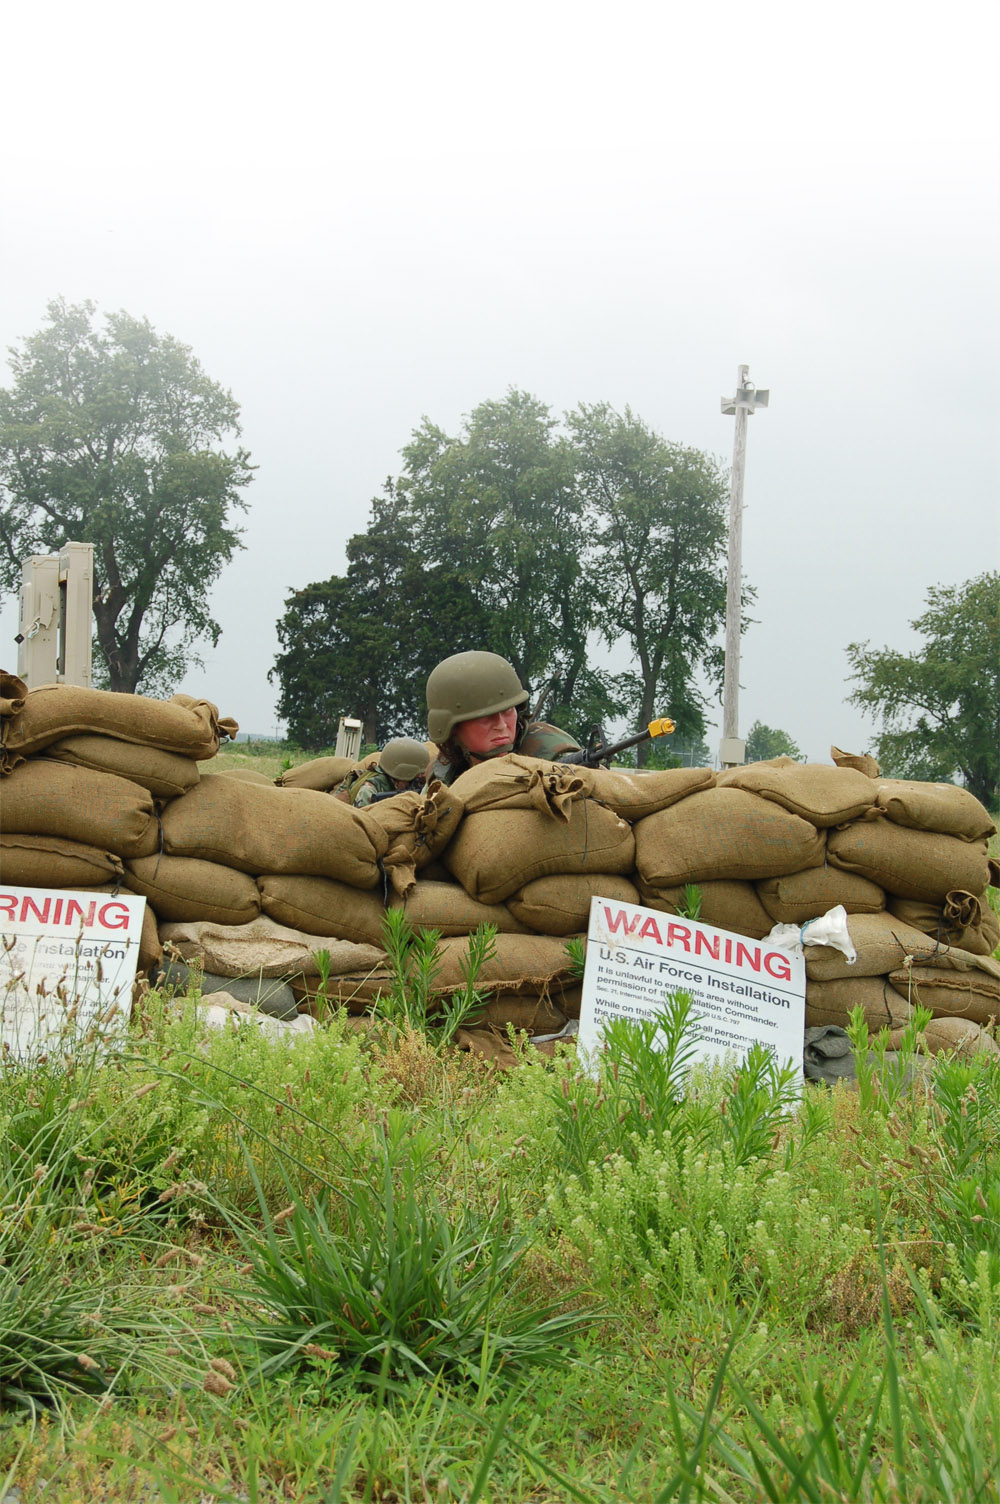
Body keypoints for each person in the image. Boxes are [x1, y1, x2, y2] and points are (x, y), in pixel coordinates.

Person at [426, 650, 583, 785]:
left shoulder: (549, 750)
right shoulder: (445, 772)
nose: (501, 725)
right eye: (485, 717)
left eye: (508, 710)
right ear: (452, 728)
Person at [336, 736, 430, 807]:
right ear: (403, 773)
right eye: (414, 778)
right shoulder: (368, 791)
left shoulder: (391, 785)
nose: (417, 782)